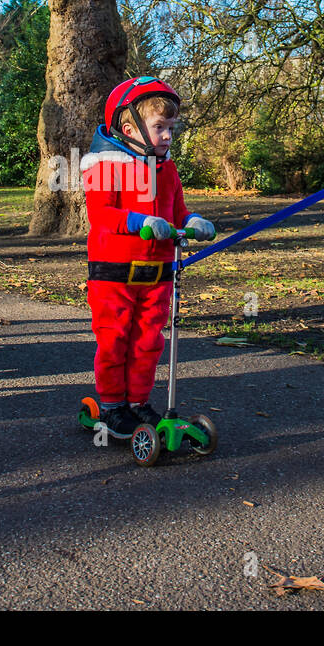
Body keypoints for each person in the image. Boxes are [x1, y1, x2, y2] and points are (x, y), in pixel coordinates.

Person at [81, 76, 216, 439]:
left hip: (158, 273)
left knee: (148, 341)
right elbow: (102, 216)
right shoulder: (104, 167)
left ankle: (138, 402)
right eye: (160, 127)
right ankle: (111, 407)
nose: (169, 136)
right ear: (129, 128)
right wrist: (141, 221)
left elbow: (179, 212)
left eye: (171, 128)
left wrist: (193, 222)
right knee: (114, 340)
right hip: (113, 273)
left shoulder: (167, 169)